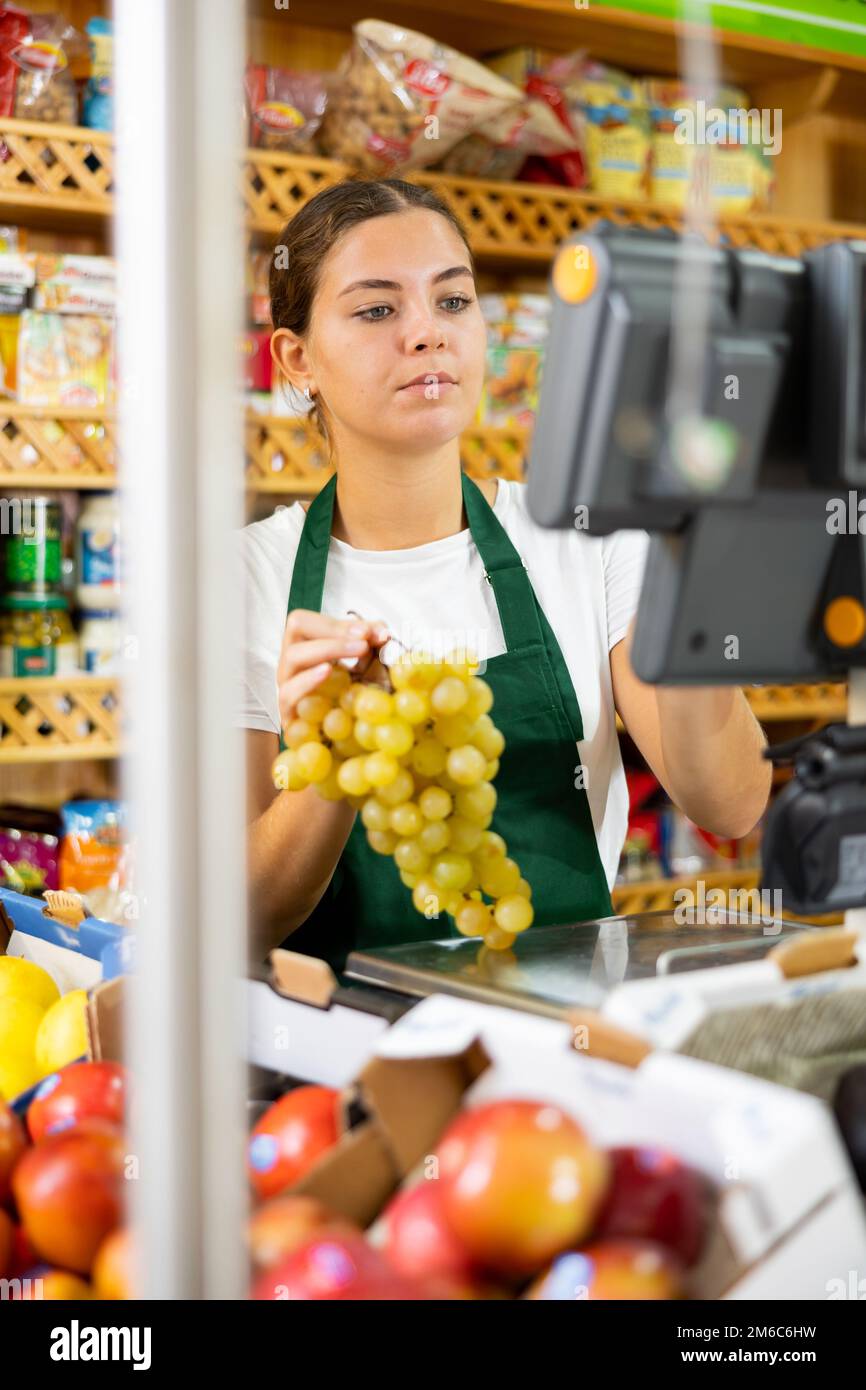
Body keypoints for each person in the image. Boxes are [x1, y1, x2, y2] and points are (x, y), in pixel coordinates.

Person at [239, 177, 772, 971]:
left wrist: (690, 578)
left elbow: (731, 803)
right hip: (339, 1057)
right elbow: (236, 920)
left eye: (453, 301)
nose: (426, 333)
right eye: (377, 309)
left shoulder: (593, 539)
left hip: (563, 1037)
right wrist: (333, 764)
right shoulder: (243, 580)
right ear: (297, 358)